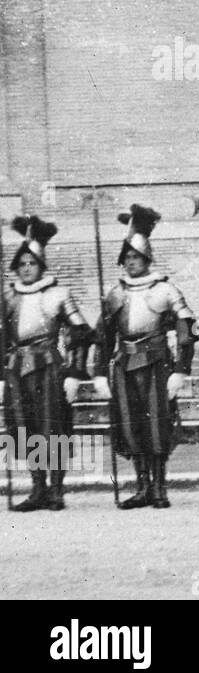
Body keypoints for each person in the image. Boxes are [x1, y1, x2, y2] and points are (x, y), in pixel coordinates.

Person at [92, 205, 197, 509]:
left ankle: (160, 487)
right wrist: (99, 373)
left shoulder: (165, 289)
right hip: (124, 364)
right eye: (126, 258)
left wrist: (181, 369)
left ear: (147, 258)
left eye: (135, 257)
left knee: (157, 425)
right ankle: (141, 487)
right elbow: (103, 336)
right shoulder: (115, 293)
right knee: (131, 425)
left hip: (156, 363)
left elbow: (186, 328)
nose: (130, 262)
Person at [1, 216, 92, 511]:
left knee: (52, 426)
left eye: (32, 263)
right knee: (23, 427)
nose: (27, 268)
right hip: (16, 367)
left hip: (50, 366)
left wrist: (75, 374)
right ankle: (37, 487)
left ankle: (56, 489)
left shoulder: (58, 294)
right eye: (23, 263)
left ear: (41, 265)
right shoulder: (8, 297)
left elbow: (81, 333)